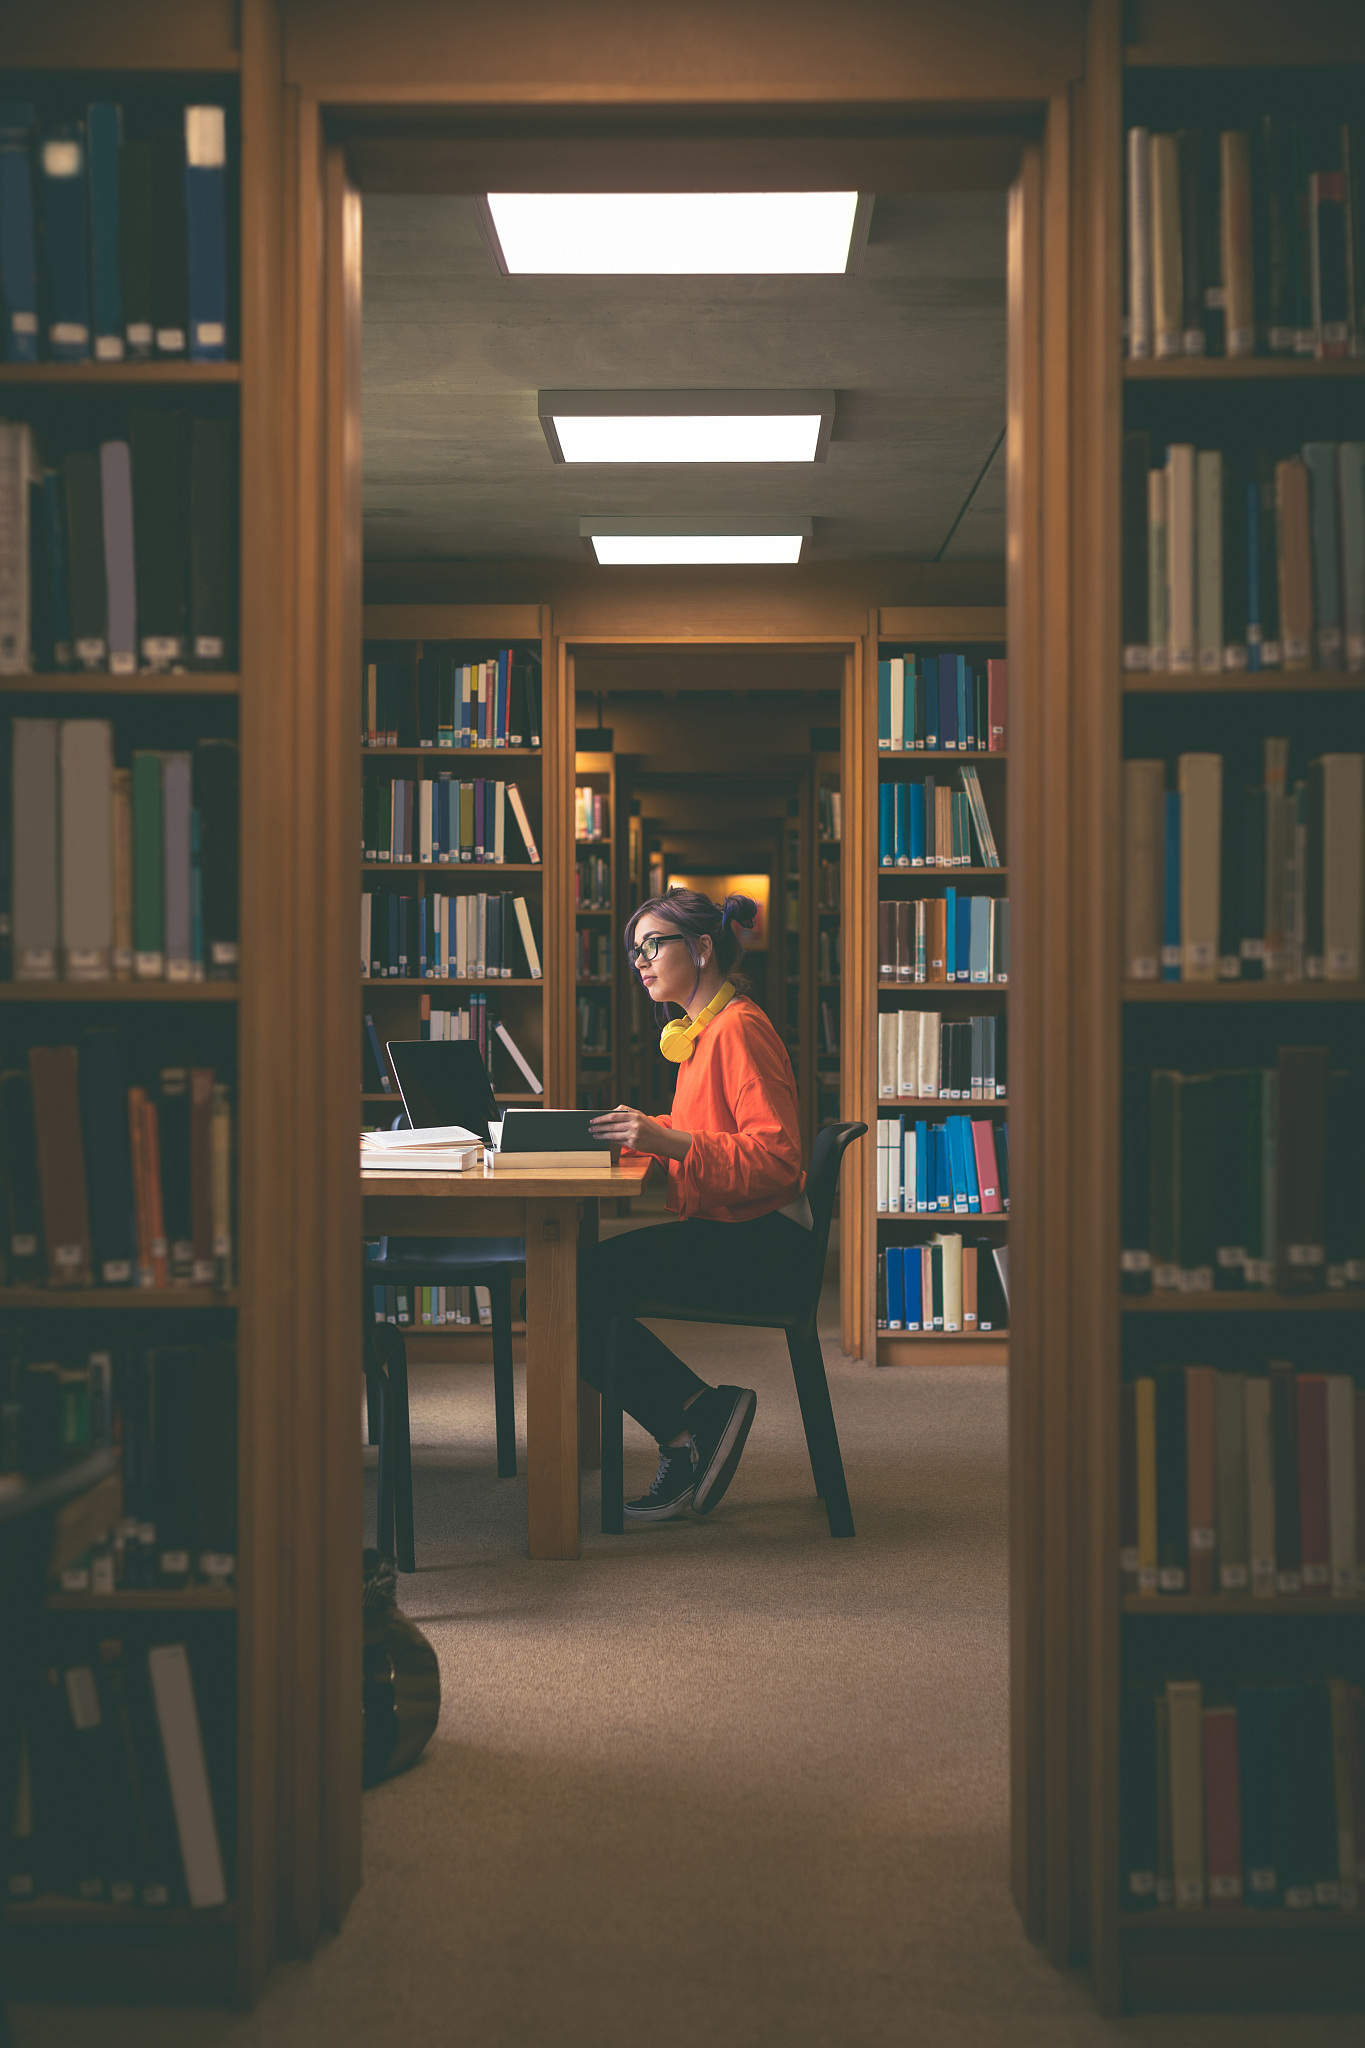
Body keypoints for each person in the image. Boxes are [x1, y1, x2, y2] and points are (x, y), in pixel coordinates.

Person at [583, 886, 814, 1525]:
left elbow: (777, 1157)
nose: (641, 961)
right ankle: (695, 1421)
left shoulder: (738, 1028)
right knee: (573, 1287)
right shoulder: (702, 1029)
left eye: (654, 945)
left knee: (572, 1292)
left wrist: (669, 1139)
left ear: (702, 948)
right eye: (636, 951)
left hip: (764, 1246)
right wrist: (641, 1134)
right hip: (738, 1231)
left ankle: (695, 1424)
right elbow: (709, 1131)